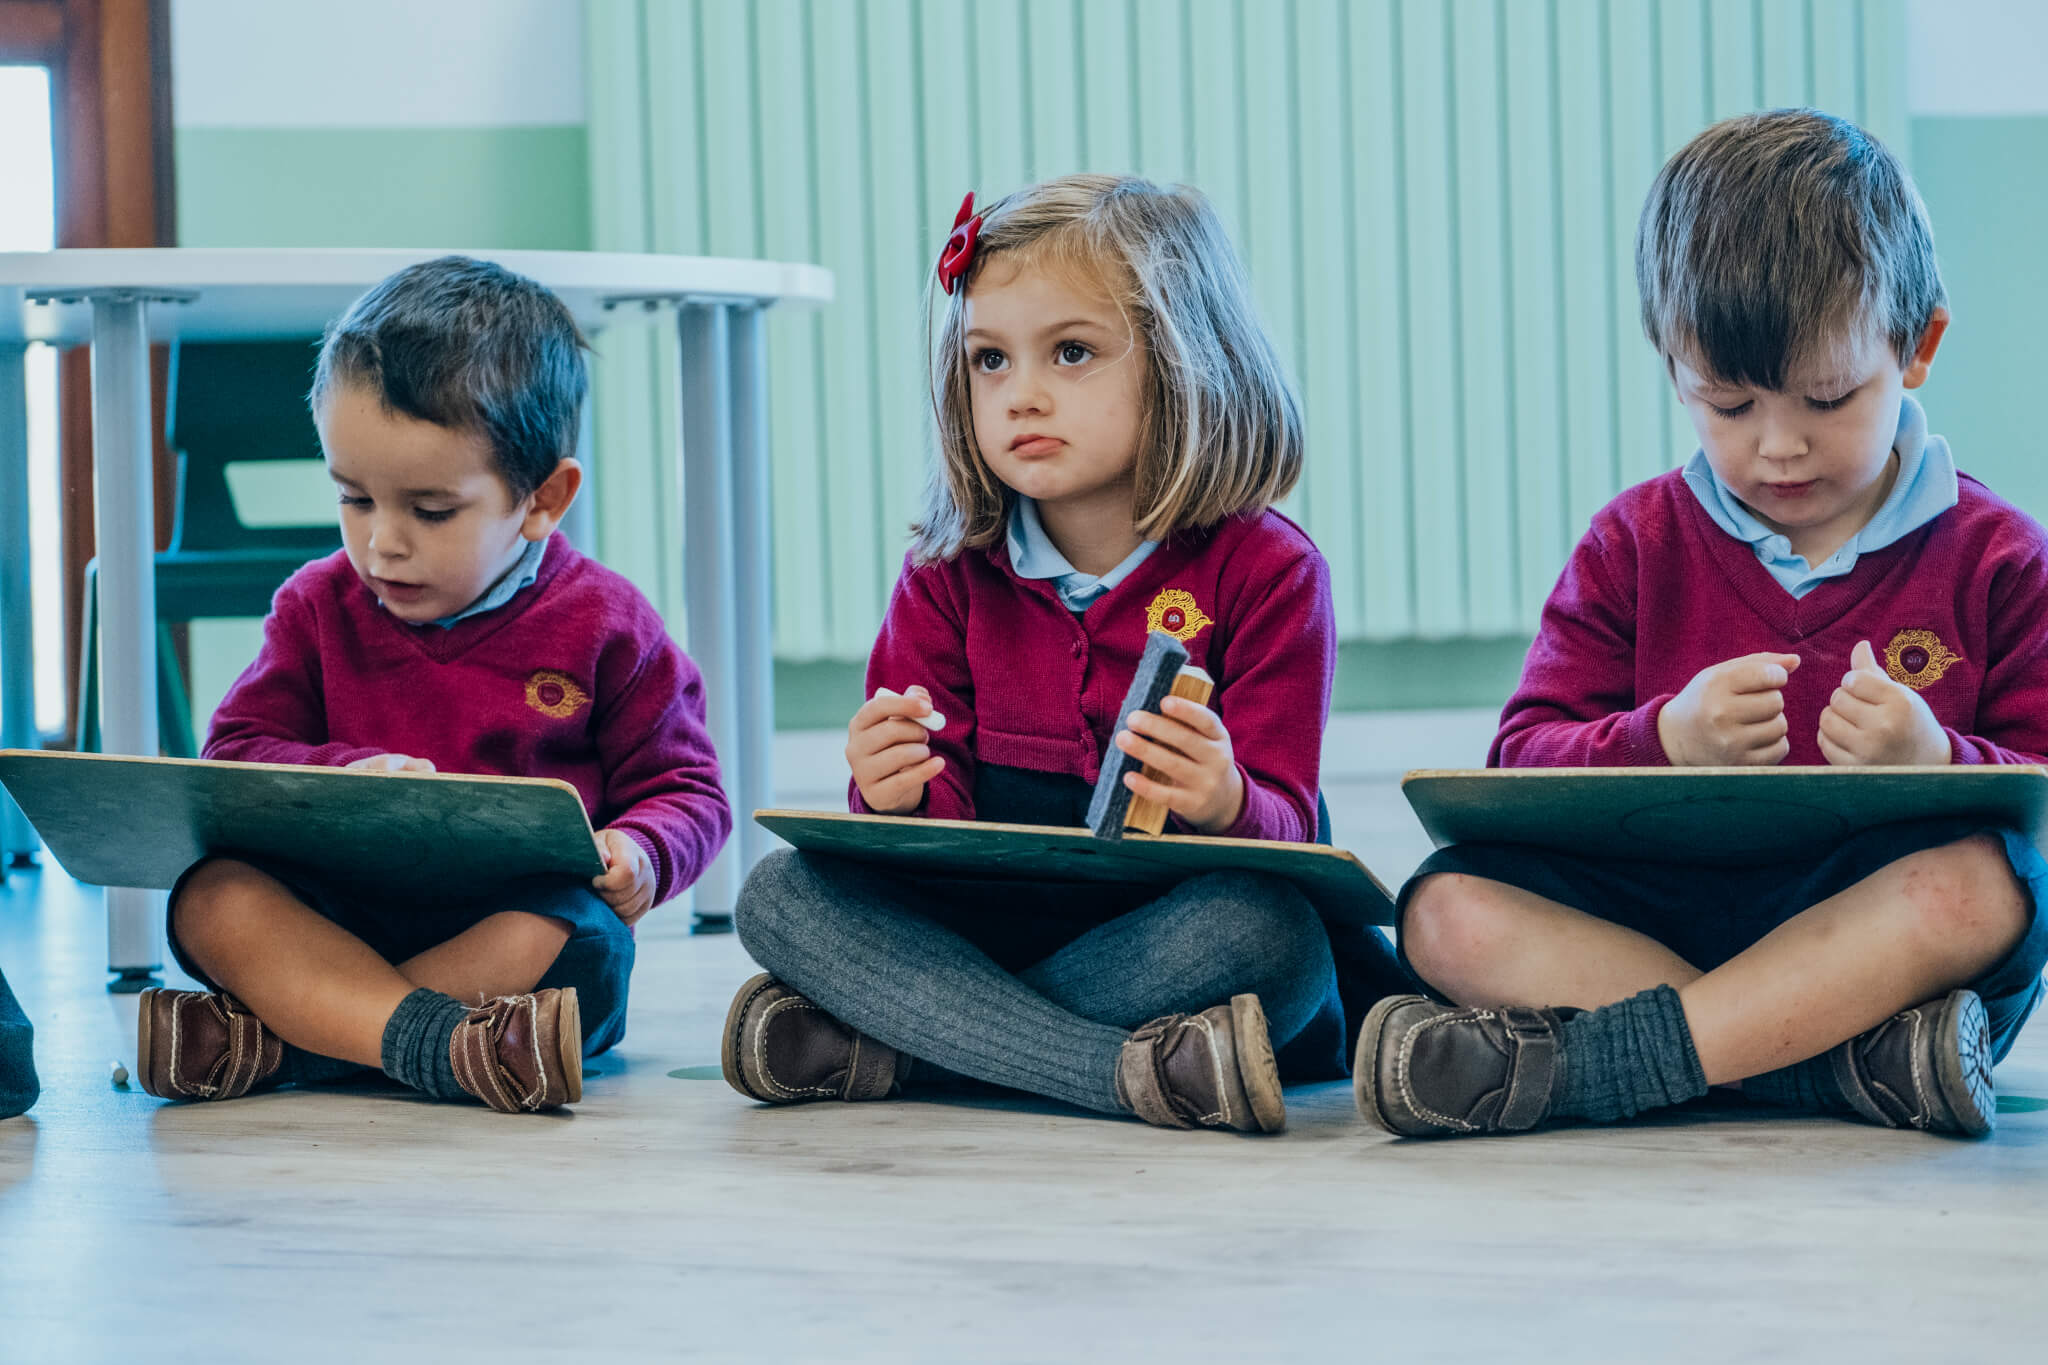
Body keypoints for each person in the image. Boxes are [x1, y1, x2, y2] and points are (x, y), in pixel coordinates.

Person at [1356, 110, 2048, 1141]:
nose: (1777, 448)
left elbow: (2033, 788)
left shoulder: (1995, 556)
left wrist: (1933, 755)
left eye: (1823, 399)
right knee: (1440, 913)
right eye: (1725, 406)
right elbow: (1517, 760)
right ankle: (1828, 1070)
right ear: (1671, 366)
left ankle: (1593, 1071)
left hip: (1864, 934)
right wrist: (1657, 739)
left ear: (1916, 348)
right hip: (1655, 907)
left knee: (1983, 889)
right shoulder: (1631, 542)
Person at [726, 174, 1404, 1134]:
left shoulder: (1269, 572)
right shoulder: (945, 577)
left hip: (1169, 939)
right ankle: (1117, 1071)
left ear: (1183, 361)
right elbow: (931, 848)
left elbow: (1287, 827)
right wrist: (893, 795)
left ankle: (912, 1047)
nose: (1021, 395)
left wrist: (1222, 799)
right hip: (992, 933)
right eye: (989, 361)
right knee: (779, 895)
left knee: (1276, 937)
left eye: (1071, 353)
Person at [135, 256, 730, 1114]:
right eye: (353, 499)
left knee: (582, 943)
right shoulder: (314, 606)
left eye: (430, 510)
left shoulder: (608, 624)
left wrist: (643, 849)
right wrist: (342, 774)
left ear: (542, 499)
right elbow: (236, 752)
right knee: (211, 897)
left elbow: (688, 786)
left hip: (500, 923)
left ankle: (293, 1045)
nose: (382, 544)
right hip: (337, 913)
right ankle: (444, 1048)